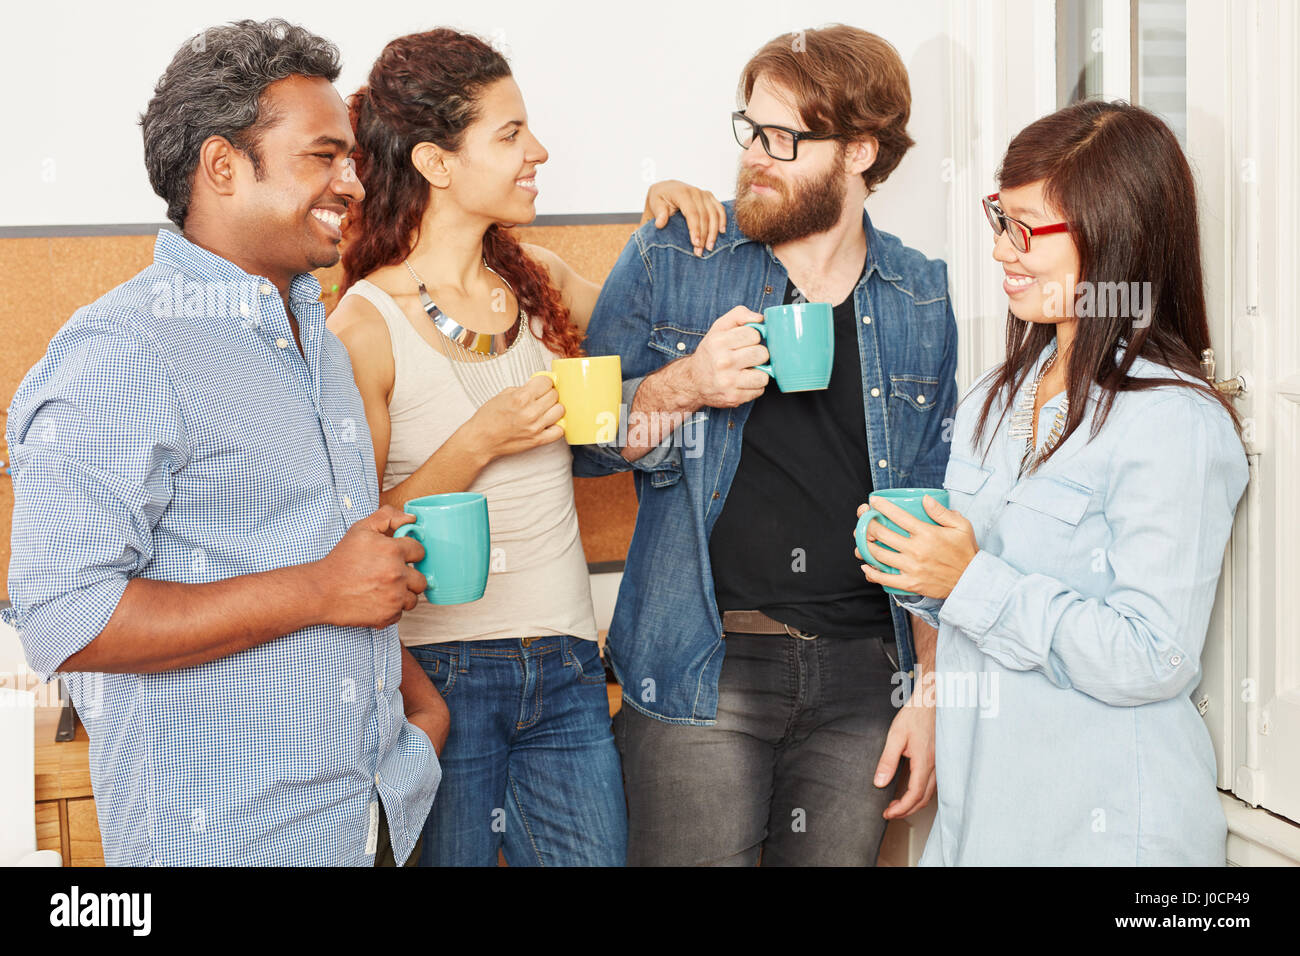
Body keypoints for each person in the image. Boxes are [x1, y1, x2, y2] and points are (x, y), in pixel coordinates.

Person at [4, 19, 446, 866]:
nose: (354, 183)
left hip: (376, 819)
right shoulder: (124, 349)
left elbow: (348, 571)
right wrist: (320, 588)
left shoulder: (315, 337)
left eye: (350, 158)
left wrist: (419, 722)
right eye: (323, 157)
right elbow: (65, 617)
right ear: (221, 167)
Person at [326, 27, 725, 867]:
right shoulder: (364, 324)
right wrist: (481, 440)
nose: (537, 150)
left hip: (571, 664)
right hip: (439, 673)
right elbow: (354, 538)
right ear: (436, 163)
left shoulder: (535, 283)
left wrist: (664, 218)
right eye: (509, 135)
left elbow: (657, 336)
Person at [571, 25, 957, 866]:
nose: (756, 155)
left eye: (785, 138)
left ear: (859, 151)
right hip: (701, 665)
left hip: (865, 673)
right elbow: (586, 440)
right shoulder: (676, 255)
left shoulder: (923, 294)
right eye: (749, 129)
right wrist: (686, 384)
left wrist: (927, 696)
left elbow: (932, 511)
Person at [857, 100, 1248, 865]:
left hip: (1109, 836)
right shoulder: (991, 398)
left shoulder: (1173, 421)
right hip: (980, 829)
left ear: (1114, 234)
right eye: (999, 218)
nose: (1002, 249)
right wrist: (918, 572)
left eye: (1026, 228)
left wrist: (969, 579)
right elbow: (970, 597)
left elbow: (1154, 656)